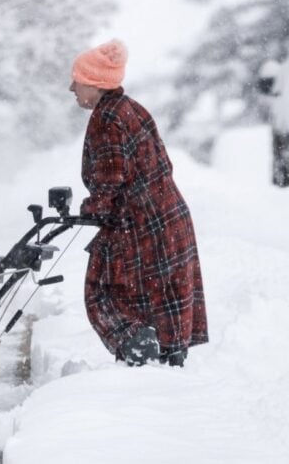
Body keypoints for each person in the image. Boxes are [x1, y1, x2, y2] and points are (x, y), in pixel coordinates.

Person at [69, 39, 208, 367]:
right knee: (163, 293)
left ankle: (137, 349)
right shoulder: (131, 108)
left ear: (93, 82)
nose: (71, 87)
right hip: (168, 216)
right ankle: (168, 358)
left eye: (76, 80)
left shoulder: (106, 118)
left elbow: (111, 177)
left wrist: (94, 208)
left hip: (140, 222)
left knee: (101, 289)